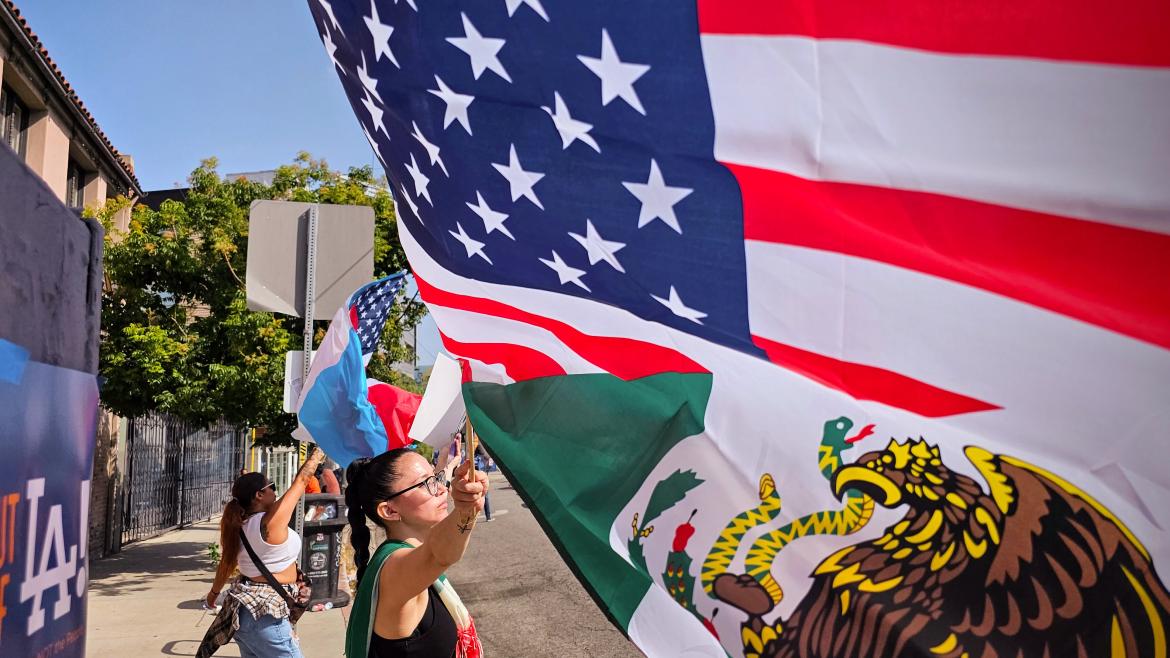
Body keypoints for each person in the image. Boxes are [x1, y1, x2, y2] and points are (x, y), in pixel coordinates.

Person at [344, 448, 489, 657]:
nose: (440, 488)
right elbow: (438, 555)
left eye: (436, 477)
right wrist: (467, 509)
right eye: (425, 483)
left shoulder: (407, 562)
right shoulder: (393, 569)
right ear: (390, 511)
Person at [203, 446, 325, 658]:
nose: (276, 492)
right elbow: (302, 481)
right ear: (259, 495)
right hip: (266, 619)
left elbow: (226, 564)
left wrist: (213, 595)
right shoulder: (269, 524)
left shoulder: (239, 525)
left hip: (243, 616)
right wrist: (320, 448)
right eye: (272, 487)